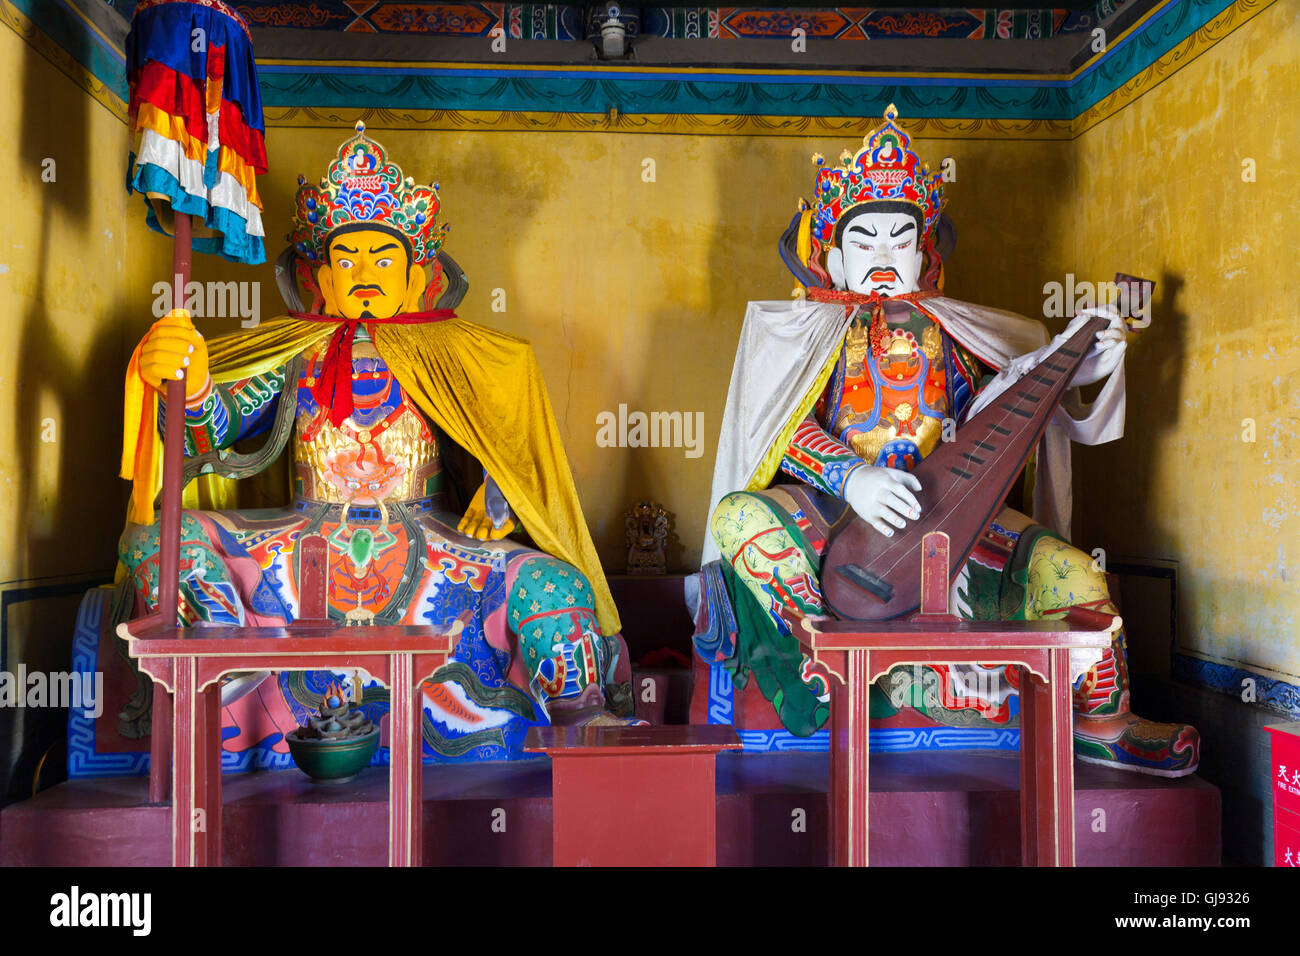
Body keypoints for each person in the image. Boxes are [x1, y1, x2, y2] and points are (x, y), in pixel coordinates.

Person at [689, 105, 1198, 776]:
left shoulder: (965, 334)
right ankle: (837, 653)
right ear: (834, 256)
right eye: (863, 241)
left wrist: (1085, 365)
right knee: (738, 519)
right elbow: (781, 431)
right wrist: (853, 478)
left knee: (1075, 571)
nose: (880, 256)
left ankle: (1103, 721)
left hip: (957, 503)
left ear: (924, 253)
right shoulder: (802, 334)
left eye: (899, 239)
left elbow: (1008, 409)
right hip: (838, 512)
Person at [120, 122, 634, 758]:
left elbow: (517, 453)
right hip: (301, 538)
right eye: (347, 258)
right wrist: (192, 382)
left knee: (554, 583)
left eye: (384, 257)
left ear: (419, 276)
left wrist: (499, 497)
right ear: (321, 280)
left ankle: (581, 717)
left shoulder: (459, 355)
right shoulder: (292, 353)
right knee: (156, 538)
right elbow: (213, 432)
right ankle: (224, 660)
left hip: (432, 541)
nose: (364, 272)